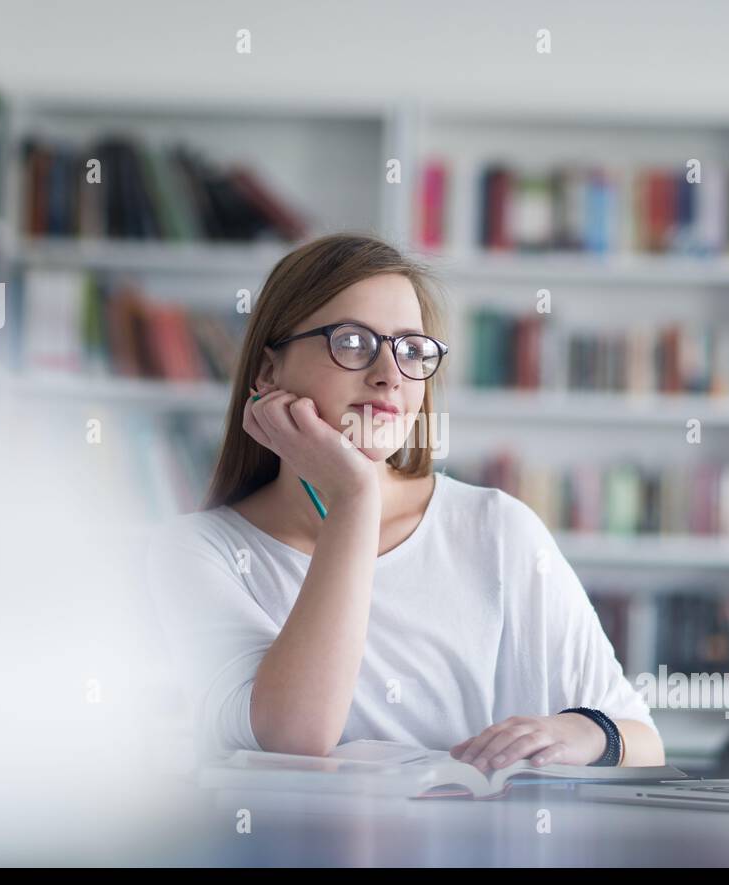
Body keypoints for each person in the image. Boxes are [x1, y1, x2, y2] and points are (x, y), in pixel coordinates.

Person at [147, 232, 665, 774]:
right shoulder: (197, 551)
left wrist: (580, 731)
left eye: (411, 349)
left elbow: (643, 743)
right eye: (351, 342)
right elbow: (294, 736)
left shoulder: (497, 529)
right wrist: (353, 499)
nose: (389, 375)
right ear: (269, 372)